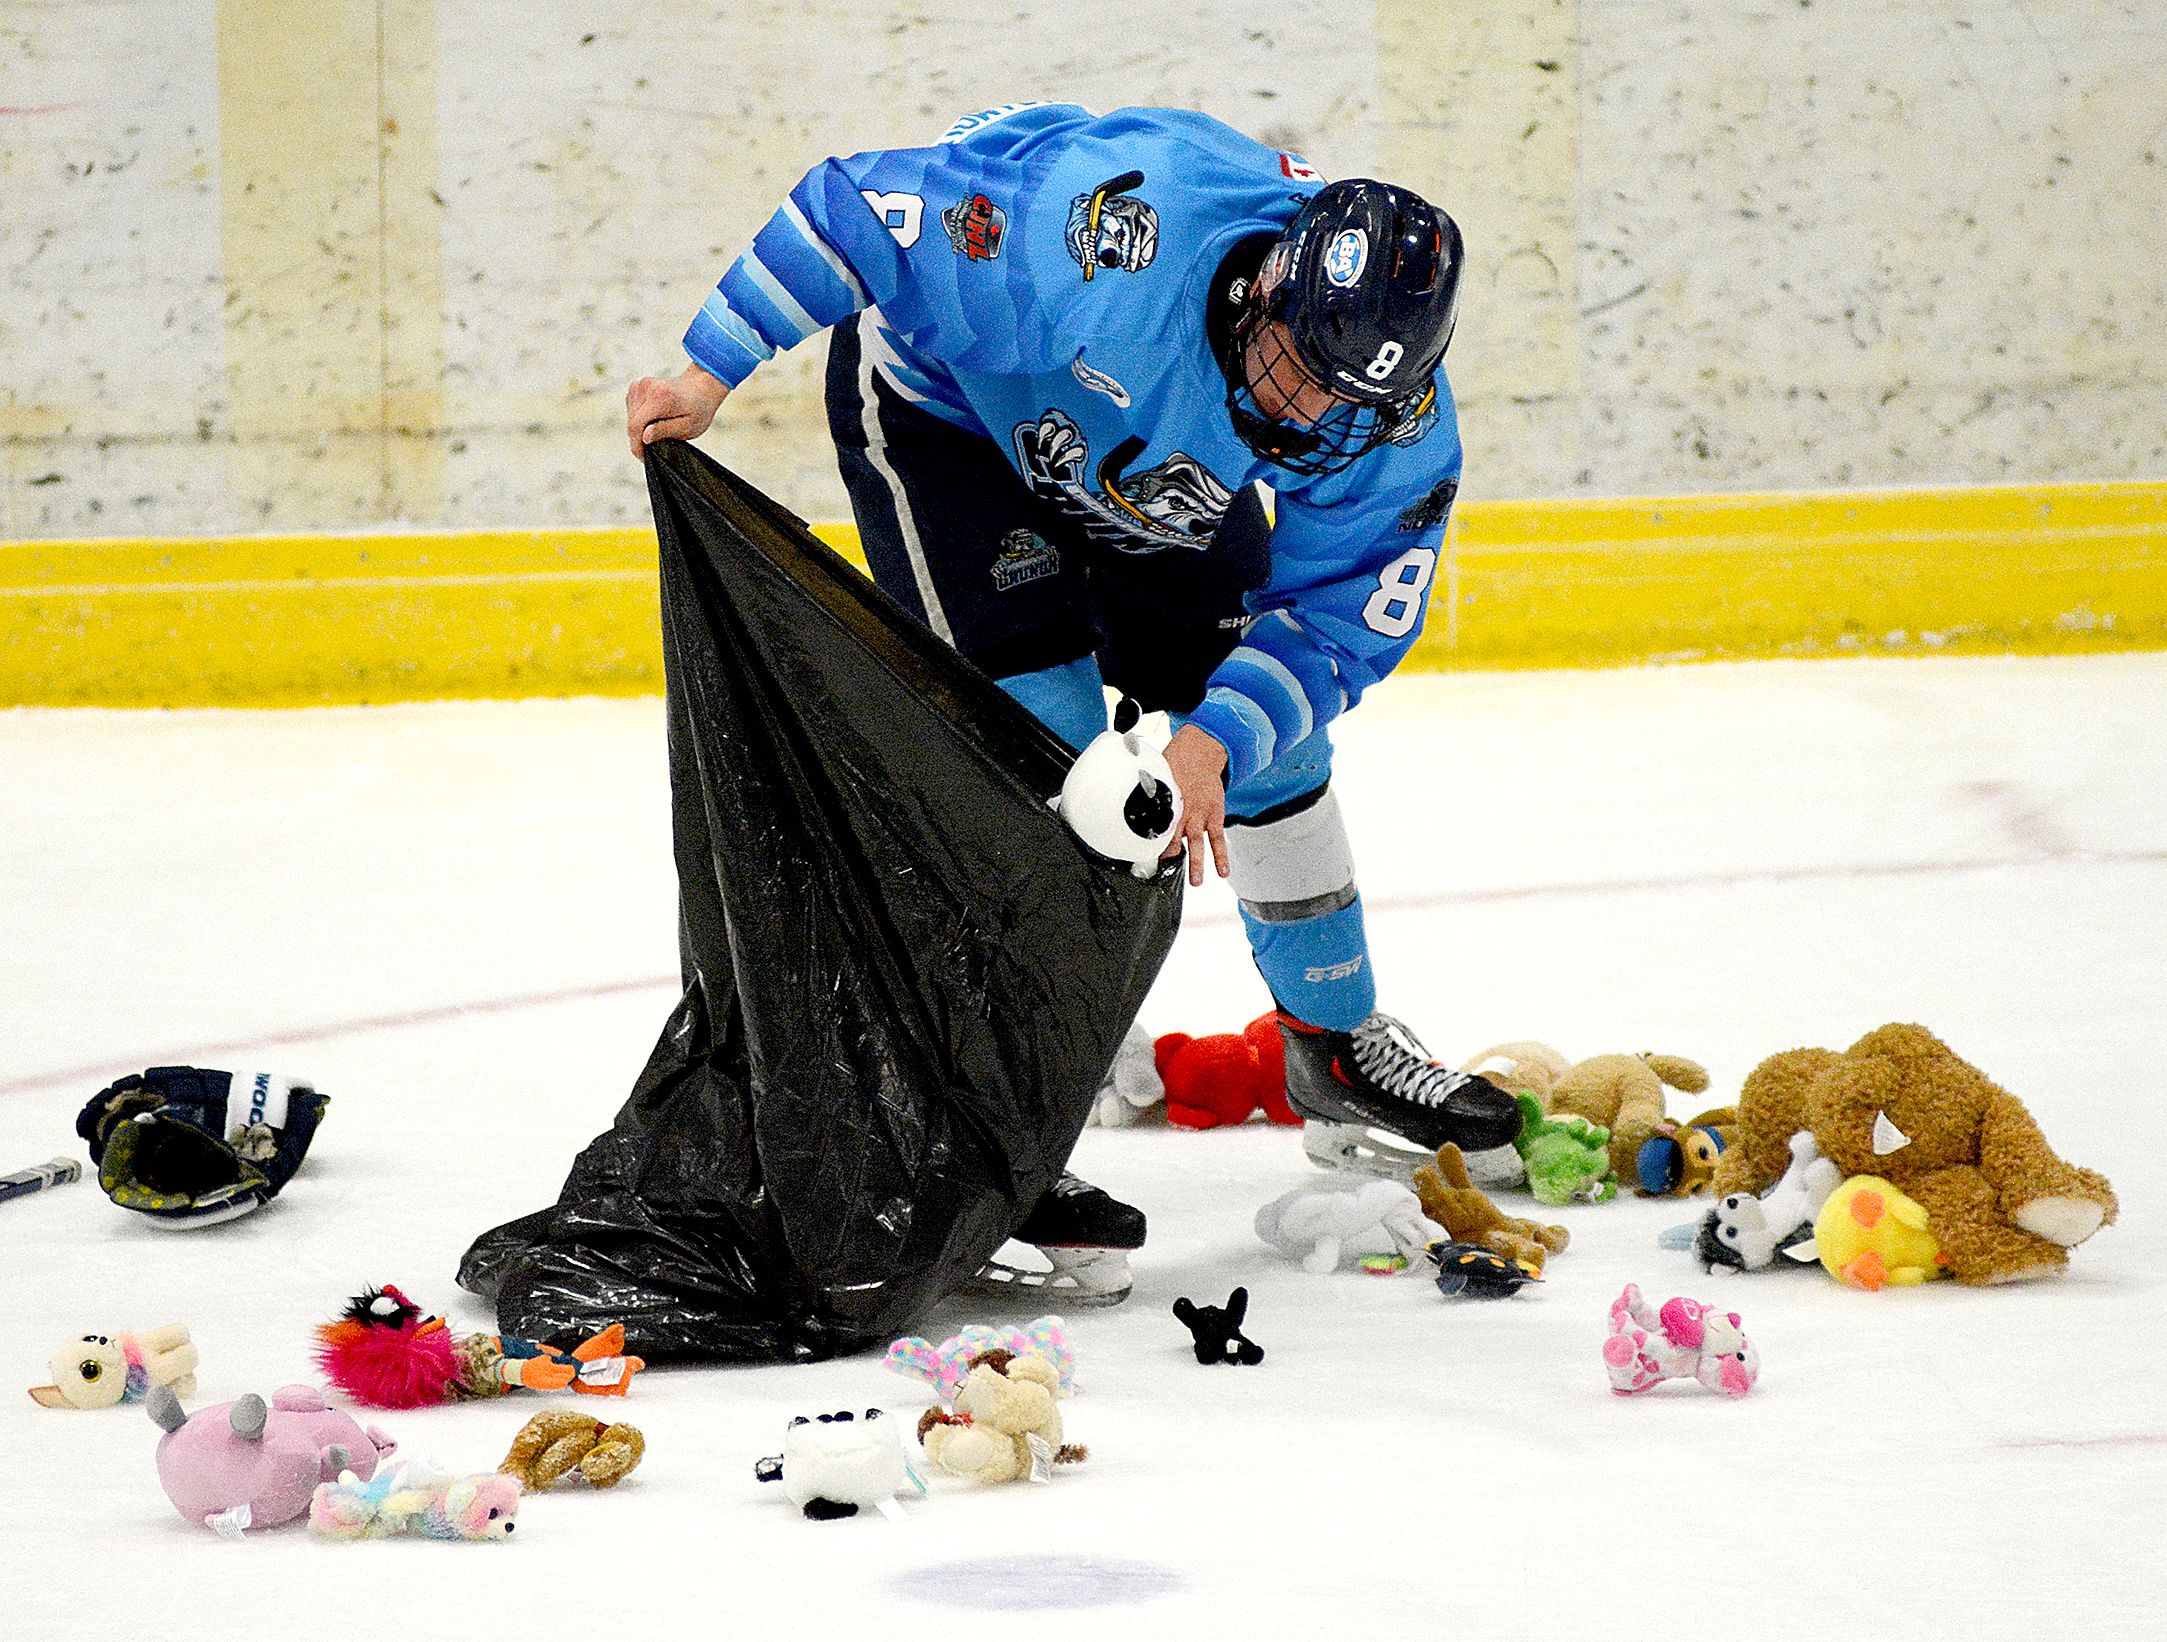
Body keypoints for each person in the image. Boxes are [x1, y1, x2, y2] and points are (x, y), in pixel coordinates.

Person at [626, 103, 1521, 1301]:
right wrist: (706, 367)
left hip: (1163, 469)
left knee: (1267, 754)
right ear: (1259, 292)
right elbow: (857, 209)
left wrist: (1214, 733)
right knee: (1042, 780)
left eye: (1345, 401)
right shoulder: (1091, 237)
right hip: (954, 422)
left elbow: (1338, 617)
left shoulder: (1382, 414)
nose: (1313, 418)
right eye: (1301, 373)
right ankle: (983, 1131)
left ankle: (1334, 1045)